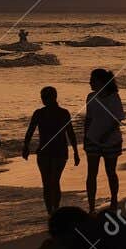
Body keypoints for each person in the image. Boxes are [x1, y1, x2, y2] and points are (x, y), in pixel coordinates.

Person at [22, 86, 79, 216]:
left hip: (58, 152)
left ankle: (55, 210)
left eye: (46, 97)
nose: (44, 99)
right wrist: (25, 146)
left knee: (53, 181)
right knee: (47, 183)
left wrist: (76, 152)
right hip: (45, 152)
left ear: (54, 97)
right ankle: (50, 212)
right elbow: (30, 131)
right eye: (43, 97)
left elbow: (70, 133)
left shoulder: (63, 113)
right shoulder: (39, 113)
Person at [83, 67, 124, 214]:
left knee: (110, 172)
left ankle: (114, 200)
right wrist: (85, 137)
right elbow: (88, 119)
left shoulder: (114, 97)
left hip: (111, 140)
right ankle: (91, 206)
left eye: (92, 80)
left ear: (100, 81)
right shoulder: (90, 97)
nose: (90, 83)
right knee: (91, 173)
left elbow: (118, 119)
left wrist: (106, 135)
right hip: (92, 139)